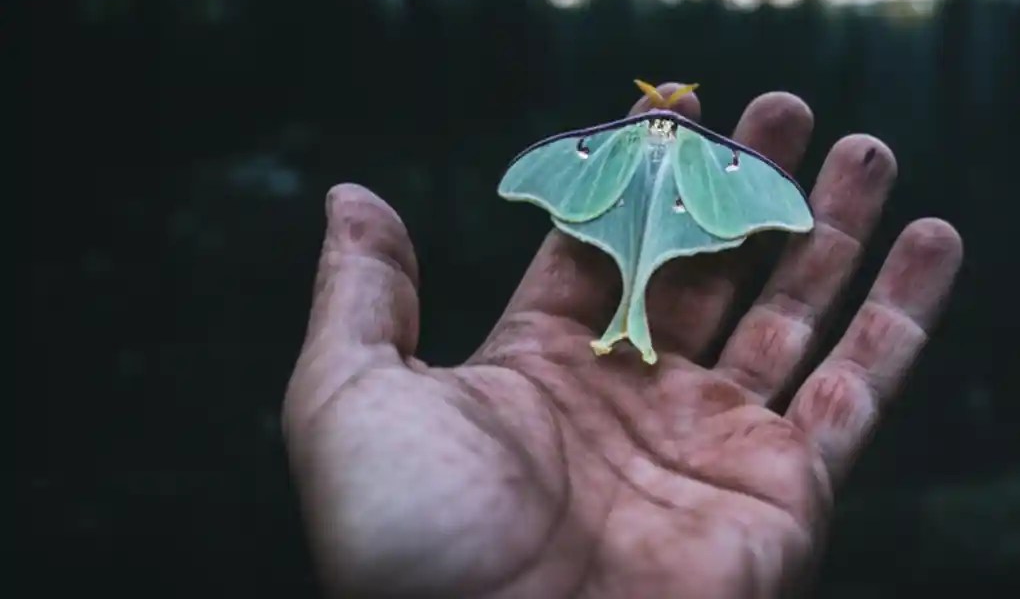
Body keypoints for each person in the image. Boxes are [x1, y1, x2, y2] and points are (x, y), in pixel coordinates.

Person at [281, 83, 964, 598]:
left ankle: (625, 321)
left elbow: (774, 199)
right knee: (632, 267)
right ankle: (626, 321)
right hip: (637, 196)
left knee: (642, 268)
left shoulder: (697, 153)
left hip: (672, 205)